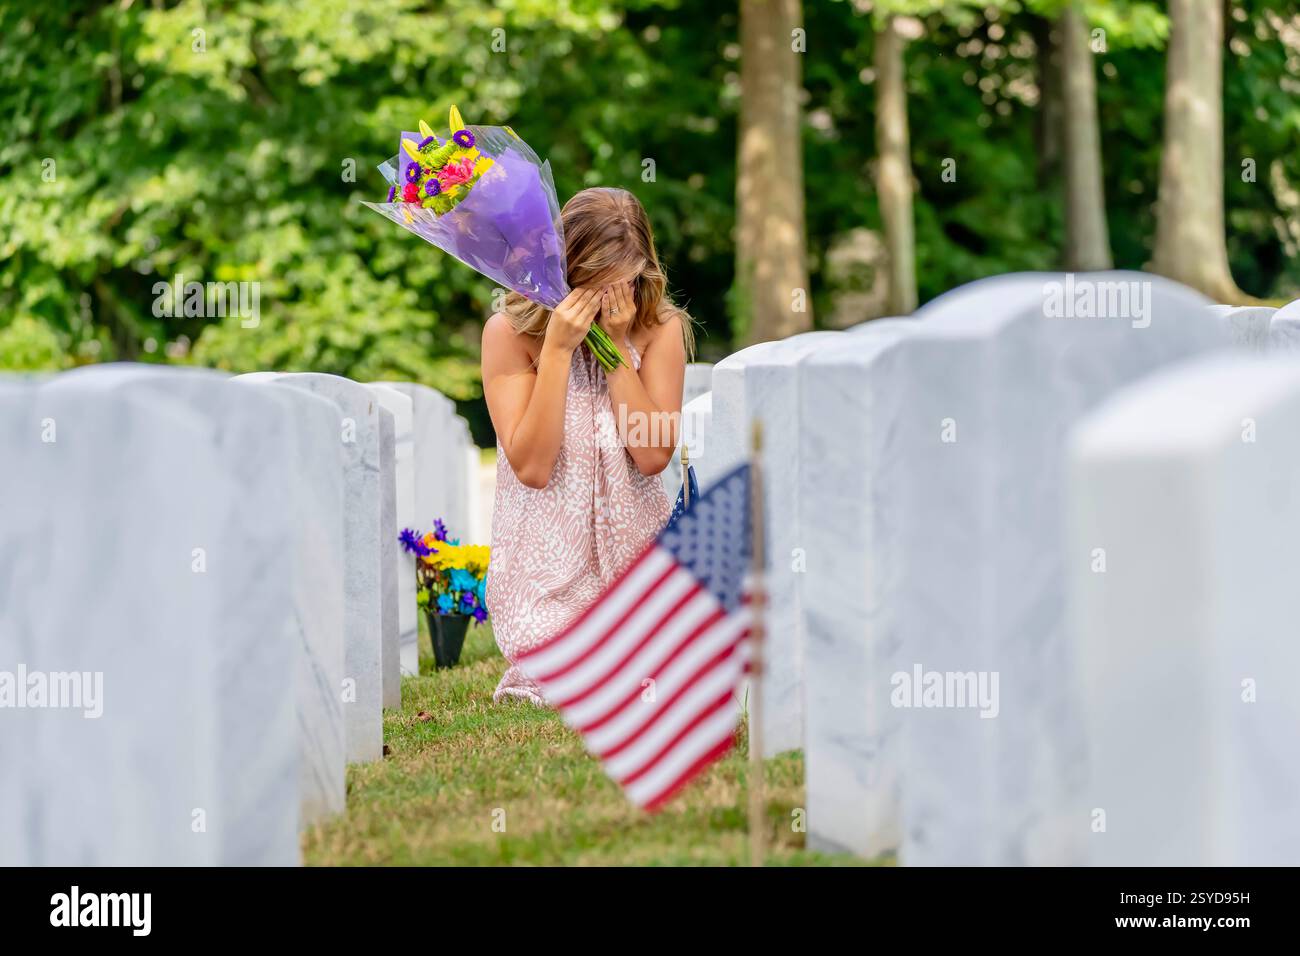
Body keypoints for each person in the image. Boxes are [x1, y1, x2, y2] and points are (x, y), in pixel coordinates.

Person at [481, 187, 693, 704]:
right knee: (564, 665)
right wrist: (556, 352)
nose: (607, 296)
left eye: (623, 281)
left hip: (634, 563)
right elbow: (531, 465)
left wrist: (618, 350)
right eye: (593, 282)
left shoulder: (660, 330)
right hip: (544, 569)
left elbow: (651, 456)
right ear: (562, 268)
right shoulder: (508, 333)